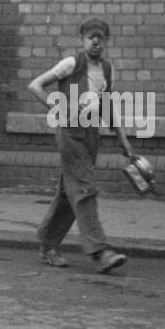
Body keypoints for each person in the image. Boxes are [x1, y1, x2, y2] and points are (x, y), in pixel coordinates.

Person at [27, 18, 133, 273]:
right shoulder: (72, 63)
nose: (95, 43)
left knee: (70, 191)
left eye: (100, 38)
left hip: (91, 134)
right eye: (90, 38)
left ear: (106, 42)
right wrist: (59, 108)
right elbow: (35, 86)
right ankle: (101, 252)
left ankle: (47, 242)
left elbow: (107, 106)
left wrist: (124, 142)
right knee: (84, 189)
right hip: (70, 134)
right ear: (82, 40)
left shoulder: (107, 69)